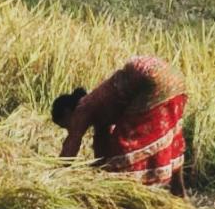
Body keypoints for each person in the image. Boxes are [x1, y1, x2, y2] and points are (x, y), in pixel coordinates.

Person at [53, 55, 188, 191]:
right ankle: (179, 191)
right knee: (171, 134)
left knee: (124, 148)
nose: (69, 129)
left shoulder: (82, 108)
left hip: (151, 80)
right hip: (174, 79)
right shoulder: (100, 111)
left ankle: (134, 194)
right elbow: (102, 151)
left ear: (67, 112)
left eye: (66, 125)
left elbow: (70, 148)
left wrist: (57, 177)